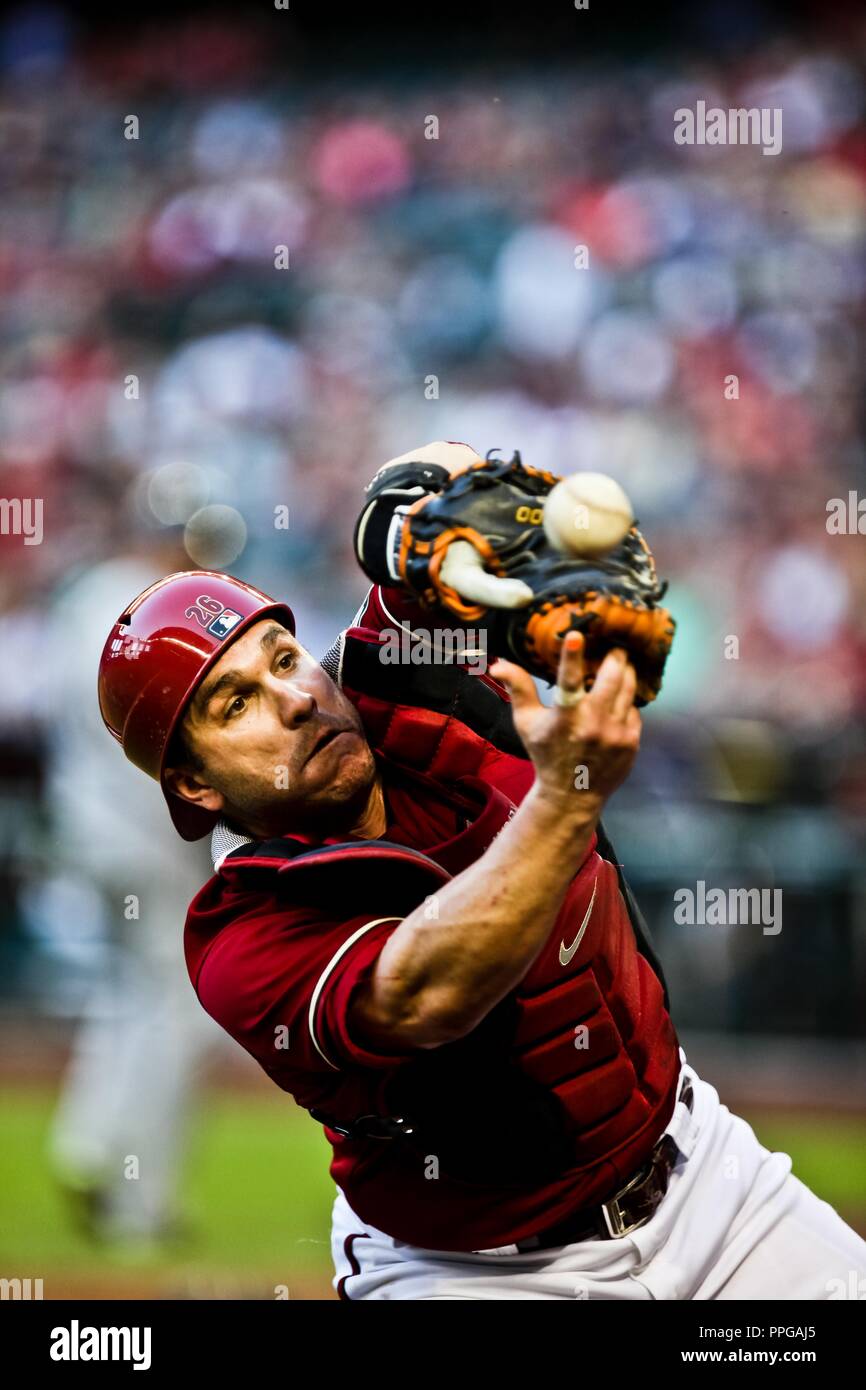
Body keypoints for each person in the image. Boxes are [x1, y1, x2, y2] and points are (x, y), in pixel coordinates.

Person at [97, 442, 866, 1299]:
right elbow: (430, 994)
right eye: (236, 703)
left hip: (706, 1177)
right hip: (478, 1274)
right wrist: (568, 800)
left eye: (284, 658)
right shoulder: (243, 938)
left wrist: (409, 508)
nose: (292, 698)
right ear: (194, 783)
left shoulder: (400, 679)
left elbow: (450, 481)